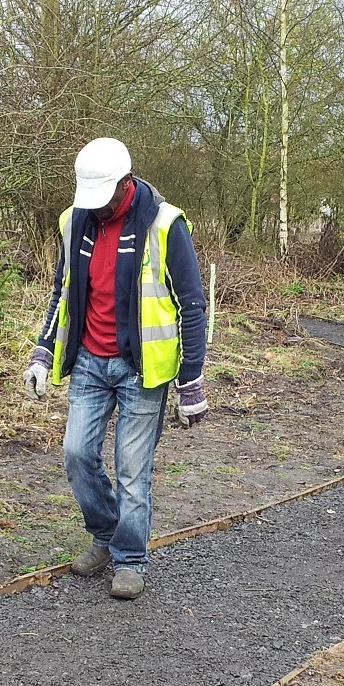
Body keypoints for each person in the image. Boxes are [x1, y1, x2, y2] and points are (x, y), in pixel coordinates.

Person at [23, 137, 209, 600]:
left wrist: (192, 382)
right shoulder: (74, 222)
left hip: (141, 370)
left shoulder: (165, 225)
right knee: (76, 455)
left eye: (104, 198)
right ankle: (105, 533)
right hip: (88, 361)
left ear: (125, 183)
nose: (97, 208)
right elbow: (61, 294)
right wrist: (44, 352)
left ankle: (129, 558)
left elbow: (192, 305)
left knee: (132, 470)